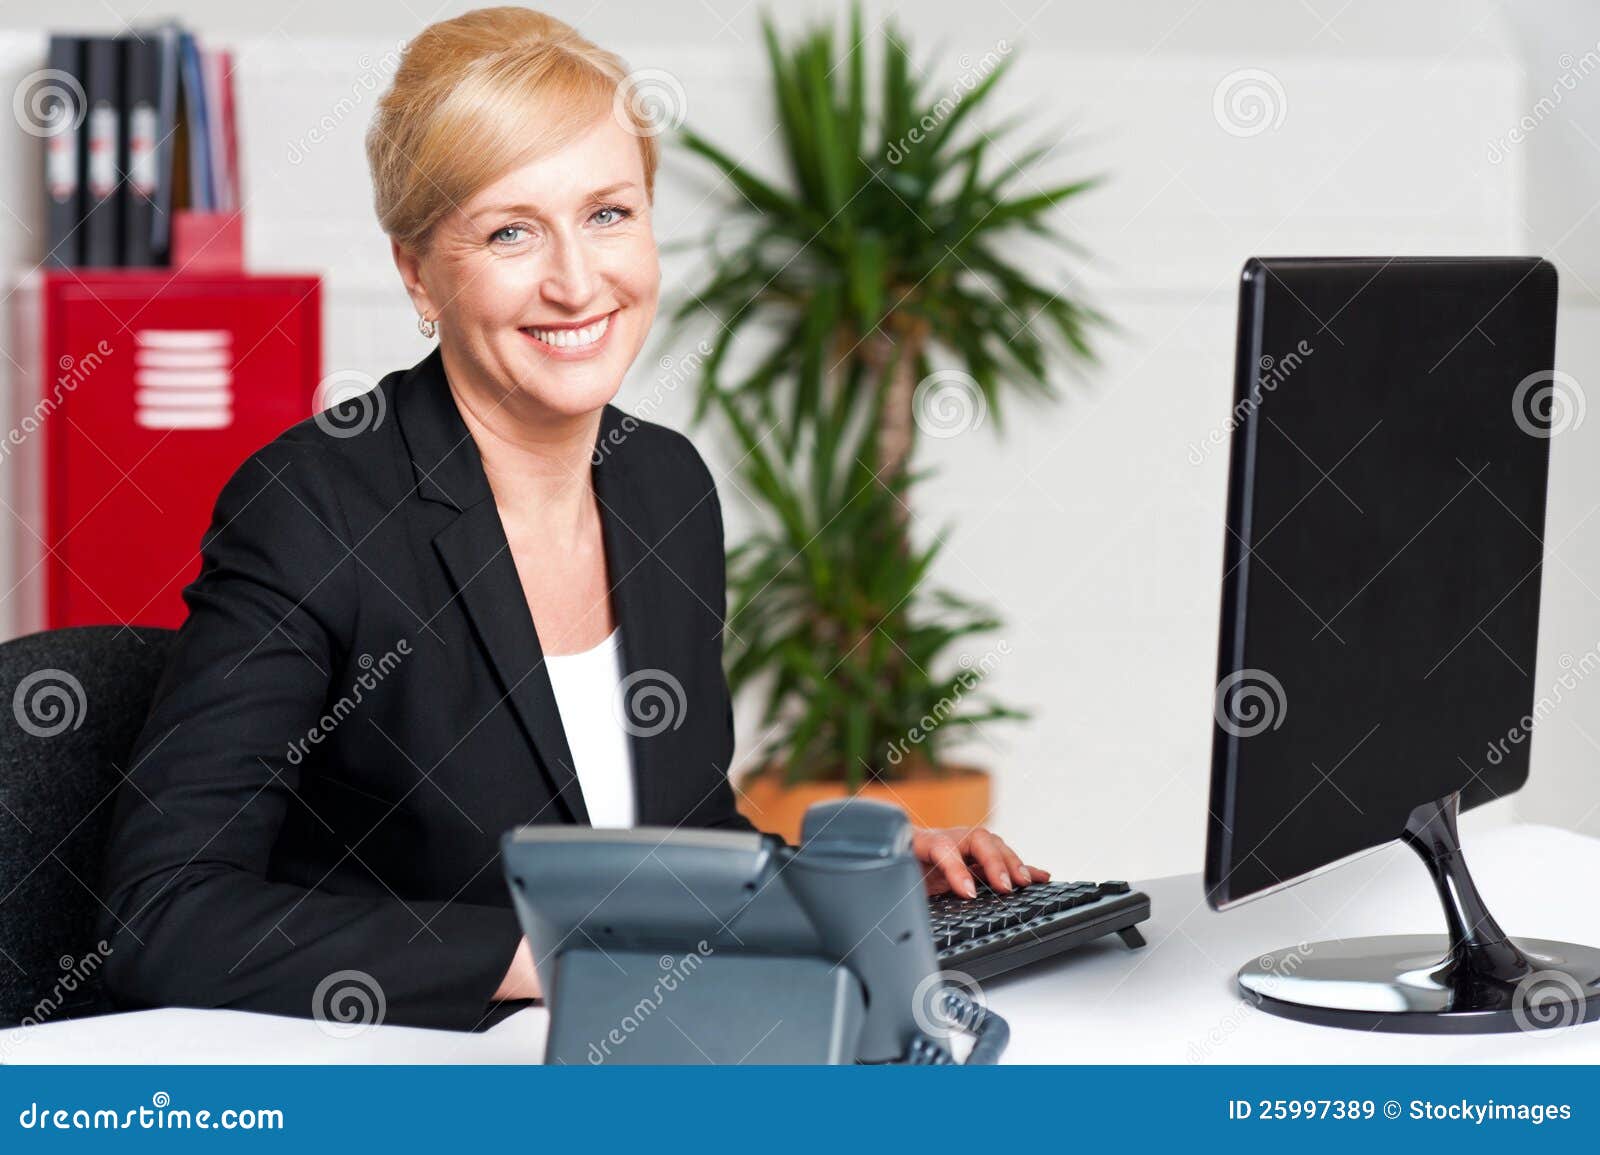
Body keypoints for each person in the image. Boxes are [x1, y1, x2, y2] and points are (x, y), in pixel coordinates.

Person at [97, 6, 1047, 1032]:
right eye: (510, 231)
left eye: (608, 214)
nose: (577, 281)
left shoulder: (663, 486)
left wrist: (831, 887)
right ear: (418, 271)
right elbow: (164, 918)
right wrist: (549, 956)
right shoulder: (315, 508)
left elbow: (666, 837)